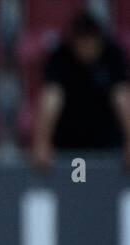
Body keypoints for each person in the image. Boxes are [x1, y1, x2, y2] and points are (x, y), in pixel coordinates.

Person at [32, 11, 130, 167]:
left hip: (107, 142)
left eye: (91, 42)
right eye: (83, 42)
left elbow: (122, 98)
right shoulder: (60, 57)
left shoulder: (112, 55)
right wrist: (42, 143)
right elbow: (51, 99)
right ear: (74, 42)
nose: (87, 48)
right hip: (67, 142)